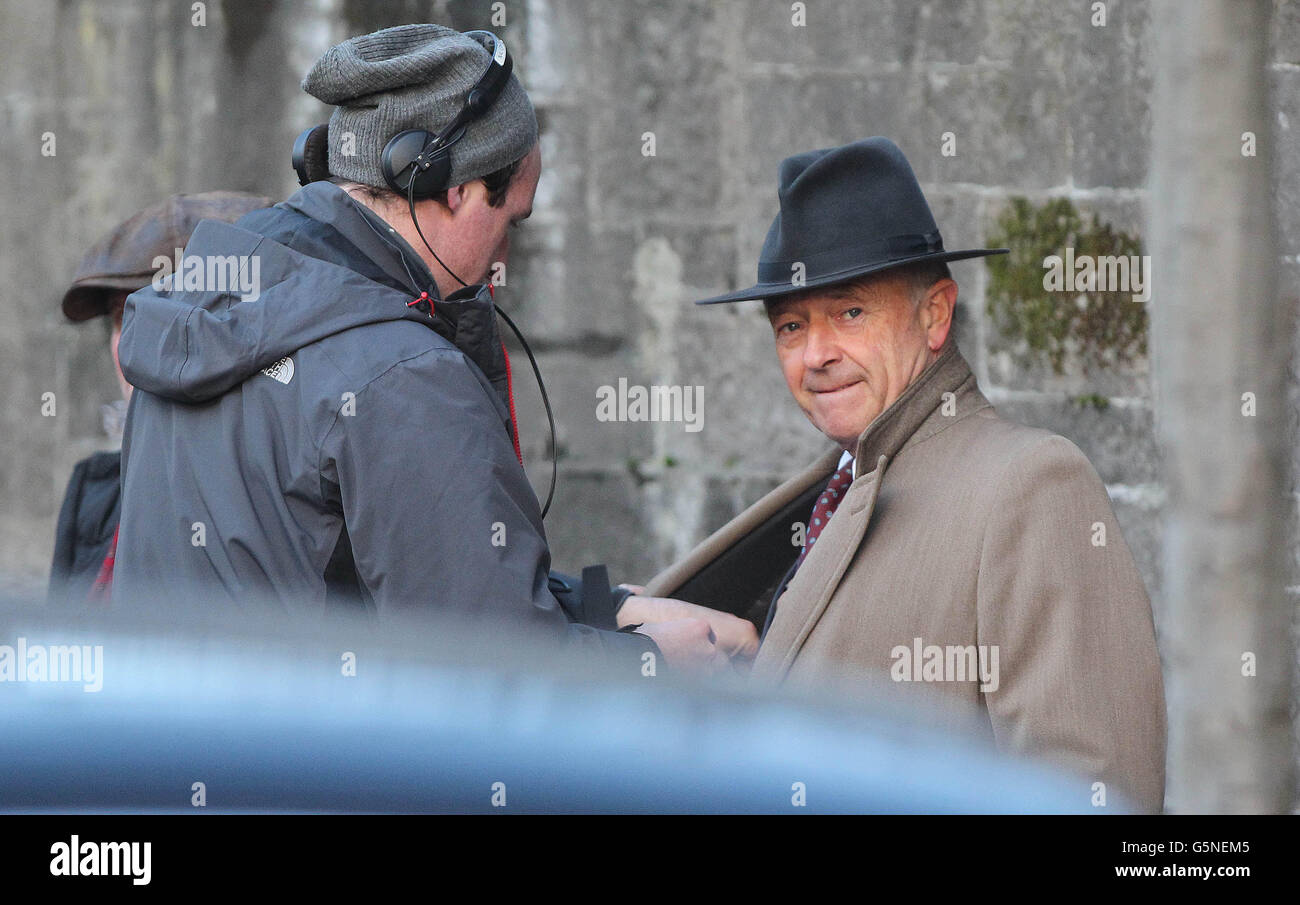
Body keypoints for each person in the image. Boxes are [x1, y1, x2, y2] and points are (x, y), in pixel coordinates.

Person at [114, 24, 753, 673]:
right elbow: (496, 681)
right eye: (512, 222)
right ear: (456, 189)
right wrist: (652, 663)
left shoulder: (194, 312)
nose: (507, 256)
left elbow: (348, 580)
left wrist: (595, 607)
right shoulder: (402, 375)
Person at [647, 137, 1167, 810]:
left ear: (935, 315)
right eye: (791, 326)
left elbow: (1096, 789)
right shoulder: (833, 491)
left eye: (850, 312)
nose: (815, 355)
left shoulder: (1033, 485)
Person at [49, 191, 272, 603]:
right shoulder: (95, 491)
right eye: (124, 316)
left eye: (175, 312)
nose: (141, 347)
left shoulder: (309, 493)